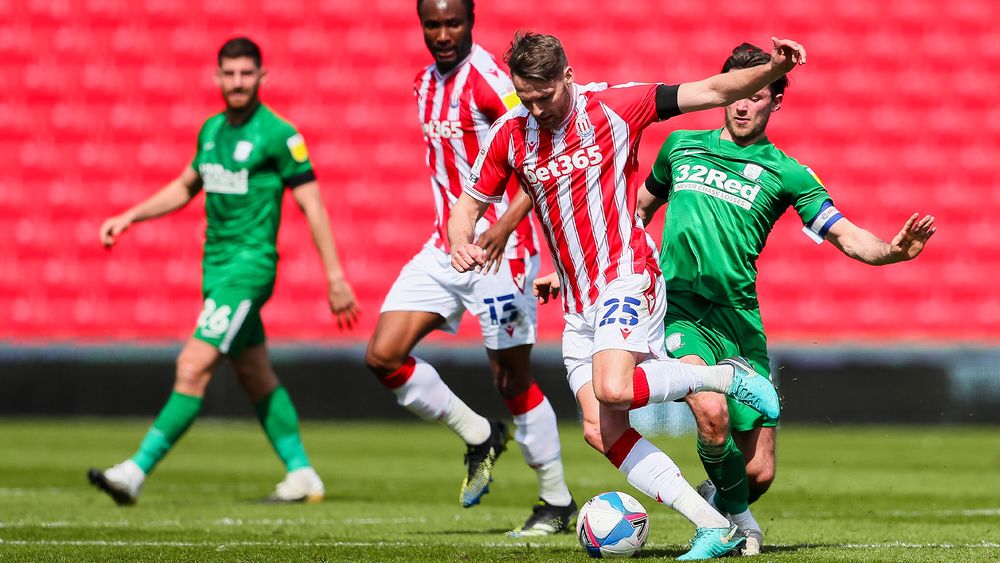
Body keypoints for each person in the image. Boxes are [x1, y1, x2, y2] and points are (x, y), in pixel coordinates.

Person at [450, 31, 804, 559]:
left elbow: (710, 90)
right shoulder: (510, 134)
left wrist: (772, 68)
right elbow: (468, 205)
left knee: (613, 390)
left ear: (566, 78)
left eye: (544, 96)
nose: (536, 108)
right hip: (577, 299)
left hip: (628, 275)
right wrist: (462, 244)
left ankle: (728, 377)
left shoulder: (617, 106)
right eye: (526, 97)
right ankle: (714, 525)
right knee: (600, 429)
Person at [635, 42, 936, 555]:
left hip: (740, 321)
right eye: (738, 90)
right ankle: (724, 526)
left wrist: (891, 251)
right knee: (710, 411)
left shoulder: (787, 172)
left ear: (776, 102)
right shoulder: (680, 146)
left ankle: (722, 504)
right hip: (682, 308)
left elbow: (843, 235)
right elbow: (636, 213)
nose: (744, 103)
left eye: (758, 93)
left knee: (759, 471)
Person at [88, 37, 359, 505]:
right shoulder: (211, 131)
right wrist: (131, 215)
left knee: (191, 366)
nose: (237, 82)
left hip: (249, 269)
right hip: (215, 270)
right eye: (229, 74)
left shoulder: (279, 135)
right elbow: (186, 185)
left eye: (245, 74)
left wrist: (334, 276)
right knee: (255, 374)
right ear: (217, 78)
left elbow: (312, 204)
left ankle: (134, 472)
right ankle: (302, 474)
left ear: (261, 77)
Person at [363, 0, 576, 536]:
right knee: (383, 356)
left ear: (470, 22)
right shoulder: (424, 84)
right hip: (444, 247)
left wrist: (502, 231)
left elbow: (539, 157)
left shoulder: (489, 83)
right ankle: (480, 434)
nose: (442, 33)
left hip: (503, 251)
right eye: (432, 24)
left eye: (452, 23)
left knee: (511, 378)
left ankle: (556, 500)